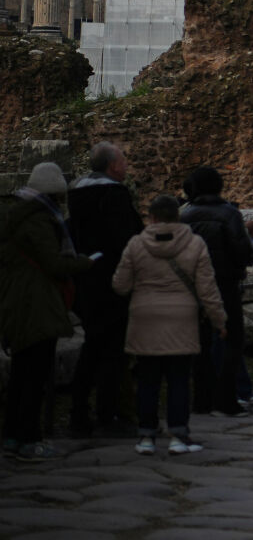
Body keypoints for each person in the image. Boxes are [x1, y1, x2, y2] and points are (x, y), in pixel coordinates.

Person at [114, 194, 226, 456]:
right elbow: (207, 289)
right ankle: (178, 435)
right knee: (178, 380)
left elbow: (120, 284)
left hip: (145, 319)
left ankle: (146, 436)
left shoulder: (135, 244)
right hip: (181, 319)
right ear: (178, 215)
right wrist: (219, 320)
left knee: (147, 381)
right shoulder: (195, 244)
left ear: (151, 217)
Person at [0, 163, 93, 461]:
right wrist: (83, 263)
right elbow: (53, 264)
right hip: (37, 302)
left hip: (16, 300)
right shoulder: (38, 221)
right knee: (34, 375)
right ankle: (29, 439)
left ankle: (12, 436)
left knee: (22, 374)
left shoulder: (13, 216)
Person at [66, 143, 141, 439]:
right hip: (112, 282)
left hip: (85, 281)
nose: (126, 165)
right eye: (123, 160)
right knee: (112, 353)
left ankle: (78, 413)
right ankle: (107, 415)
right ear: (112, 166)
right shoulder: (114, 196)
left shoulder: (77, 195)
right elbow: (128, 240)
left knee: (91, 348)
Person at [180, 166, 253, 417]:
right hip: (225, 284)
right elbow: (244, 253)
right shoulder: (229, 214)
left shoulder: (185, 215)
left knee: (200, 345)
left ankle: (202, 400)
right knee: (232, 342)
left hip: (193, 286)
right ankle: (226, 400)